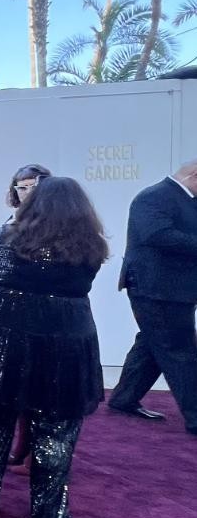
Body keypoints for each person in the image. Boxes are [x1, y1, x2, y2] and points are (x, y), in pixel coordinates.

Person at [0, 175, 106, 518]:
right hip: (66, 348)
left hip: (2, 346)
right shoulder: (91, 247)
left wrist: (9, 223)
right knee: (56, 436)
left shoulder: (8, 238)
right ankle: (50, 517)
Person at [108, 160, 197, 436]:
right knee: (179, 350)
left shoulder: (183, 200)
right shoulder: (153, 196)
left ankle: (124, 398)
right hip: (155, 288)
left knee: (153, 343)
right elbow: (159, 235)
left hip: (172, 289)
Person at [0, 164, 52, 469]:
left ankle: (38, 453)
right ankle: (23, 447)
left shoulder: (60, 223)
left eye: (33, 186)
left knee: (43, 389)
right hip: (14, 315)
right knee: (19, 388)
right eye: (21, 187)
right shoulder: (12, 221)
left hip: (47, 316)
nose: (27, 192)